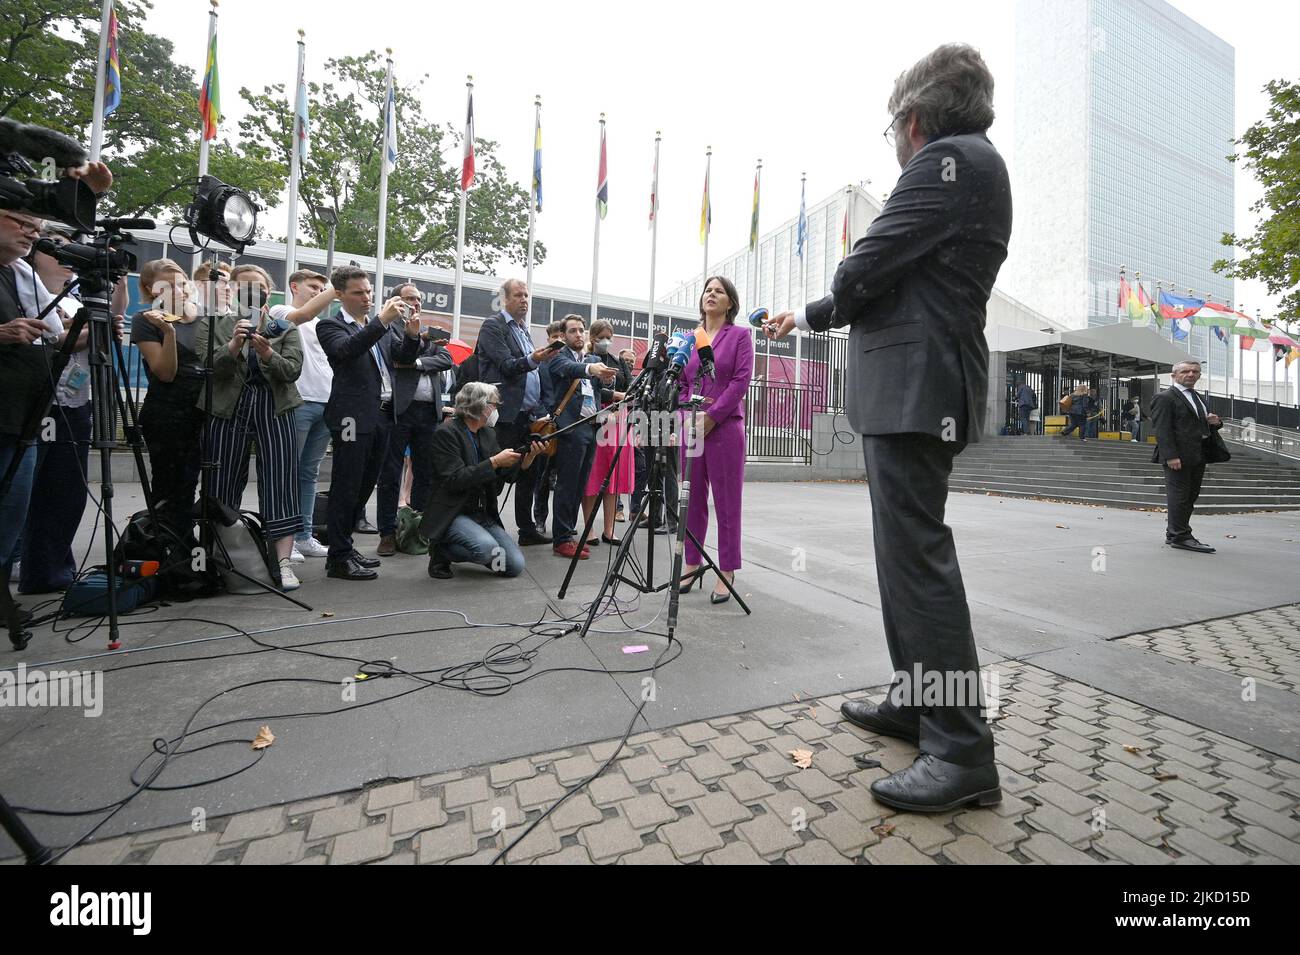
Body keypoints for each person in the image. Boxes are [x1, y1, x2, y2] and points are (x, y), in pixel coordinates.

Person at [765, 44, 1009, 813]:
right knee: (902, 559)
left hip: (918, 389)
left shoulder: (947, 164)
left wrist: (834, 293)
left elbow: (860, 271)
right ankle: (919, 701)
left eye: (892, 132)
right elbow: (880, 280)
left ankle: (962, 748)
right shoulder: (969, 163)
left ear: (911, 121)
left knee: (917, 561)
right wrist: (805, 315)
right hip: (915, 387)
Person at [194, 263, 305, 590]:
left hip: (275, 406)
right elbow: (208, 367)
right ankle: (219, 557)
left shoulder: (285, 327)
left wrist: (267, 352)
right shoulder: (213, 323)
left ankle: (282, 562)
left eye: (260, 289)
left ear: (269, 293)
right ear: (234, 291)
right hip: (228, 408)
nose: (254, 294)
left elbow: (292, 371)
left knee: (281, 480)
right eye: (246, 288)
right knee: (221, 480)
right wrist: (233, 345)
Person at [315, 266, 404, 580]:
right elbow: (346, 352)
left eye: (368, 291)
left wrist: (415, 334)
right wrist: (381, 322)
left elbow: (402, 358)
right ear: (339, 295)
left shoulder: (377, 328)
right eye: (358, 292)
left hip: (381, 414)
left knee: (365, 486)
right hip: (352, 417)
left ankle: (346, 545)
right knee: (347, 485)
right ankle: (338, 557)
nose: (366, 297)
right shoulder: (330, 326)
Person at [677, 277, 754, 604]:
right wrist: (685, 417)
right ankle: (692, 562)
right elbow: (682, 382)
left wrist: (712, 416)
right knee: (690, 498)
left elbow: (740, 381)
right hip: (691, 428)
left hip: (724, 428)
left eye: (719, 291)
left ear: (730, 303)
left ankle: (727, 568)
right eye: (708, 290)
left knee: (726, 500)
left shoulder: (740, 336)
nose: (712, 294)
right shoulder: (689, 339)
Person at [419, 382, 542, 579]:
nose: (496, 410)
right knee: (487, 549)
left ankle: (471, 540)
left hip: (482, 512)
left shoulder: (488, 433)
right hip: (453, 512)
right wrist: (494, 462)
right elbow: (455, 479)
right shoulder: (446, 433)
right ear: (480, 405)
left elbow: (505, 474)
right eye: (494, 405)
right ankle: (441, 550)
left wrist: (528, 459)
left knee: (514, 565)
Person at [375, 283, 454, 555]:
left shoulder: (429, 333)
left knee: (426, 472)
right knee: (391, 472)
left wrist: (417, 364)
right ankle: (387, 532)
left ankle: (419, 528)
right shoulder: (388, 329)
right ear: (396, 301)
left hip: (428, 413)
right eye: (410, 298)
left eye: (419, 299)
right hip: (399, 411)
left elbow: (446, 359)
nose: (416, 303)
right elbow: (400, 354)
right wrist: (414, 345)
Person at [476, 278, 556, 545]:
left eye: (527, 296)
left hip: (528, 416)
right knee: (495, 474)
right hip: (503, 415)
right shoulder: (493, 325)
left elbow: (532, 373)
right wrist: (535, 358)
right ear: (505, 299)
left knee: (528, 472)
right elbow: (507, 365)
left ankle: (527, 530)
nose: (524, 300)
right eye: (519, 295)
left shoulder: (523, 330)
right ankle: (486, 527)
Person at [131, 258, 206, 545]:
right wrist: (169, 333)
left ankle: (195, 551)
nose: (179, 290)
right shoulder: (146, 320)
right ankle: (170, 548)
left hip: (202, 411)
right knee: (171, 485)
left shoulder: (204, 318)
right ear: (152, 290)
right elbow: (164, 372)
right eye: (169, 286)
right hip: (167, 414)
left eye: (182, 283)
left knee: (195, 483)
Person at [269, 269, 338, 561]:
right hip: (298, 401)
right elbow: (304, 315)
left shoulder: (321, 322)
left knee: (309, 474)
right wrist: (336, 288)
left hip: (325, 403)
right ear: (294, 286)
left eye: (322, 287)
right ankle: (285, 540)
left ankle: (304, 535)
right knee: (288, 472)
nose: (318, 291)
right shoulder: (281, 309)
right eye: (314, 286)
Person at [547, 314, 618, 559]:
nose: (578, 334)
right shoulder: (560, 357)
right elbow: (569, 370)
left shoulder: (592, 359)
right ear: (564, 335)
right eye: (572, 331)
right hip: (571, 428)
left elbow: (595, 390)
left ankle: (568, 533)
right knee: (567, 485)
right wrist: (591, 369)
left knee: (580, 485)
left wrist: (608, 384)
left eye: (581, 330)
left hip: (591, 427)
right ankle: (562, 539)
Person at [1151, 360, 1224, 554]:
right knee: (1179, 497)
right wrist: (1171, 456)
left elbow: (1196, 424)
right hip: (1178, 457)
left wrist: (1215, 422)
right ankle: (1181, 536)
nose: (1191, 374)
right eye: (1186, 371)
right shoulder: (1165, 397)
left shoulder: (1198, 397)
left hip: (1198, 454)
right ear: (1174, 375)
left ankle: (1173, 532)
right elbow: (1162, 429)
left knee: (1190, 496)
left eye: (1195, 371)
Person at [581, 320, 632, 548]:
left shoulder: (618, 361)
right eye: (601, 336)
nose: (606, 341)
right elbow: (588, 389)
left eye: (609, 336)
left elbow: (630, 389)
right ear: (592, 337)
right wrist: (614, 396)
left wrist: (621, 400)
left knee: (613, 477)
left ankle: (609, 530)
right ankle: (589, 528)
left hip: (618, 421)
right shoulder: (586, 360)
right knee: (593, 475)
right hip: (594, 419)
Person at [531, 319, 566, 537]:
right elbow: (537, 395)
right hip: (546, 426)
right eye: (555, 338)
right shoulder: (541, 365)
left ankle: (563, 525)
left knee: (564, 479)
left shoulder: (571, 363)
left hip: (568, 427)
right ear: (548, 340)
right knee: (542, 478)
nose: (559, 342)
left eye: (562, 339)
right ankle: (540, 521)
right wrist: (546, 417)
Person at [614, 347, 637, 521]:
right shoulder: (615, 375)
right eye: (626, 360)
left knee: (638, 467)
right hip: (613, 424)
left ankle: (635, 509)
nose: (629, 363)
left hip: (632, 426)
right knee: (615, 466)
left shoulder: (636, 380)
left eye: (631, 361)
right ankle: (617, 508)